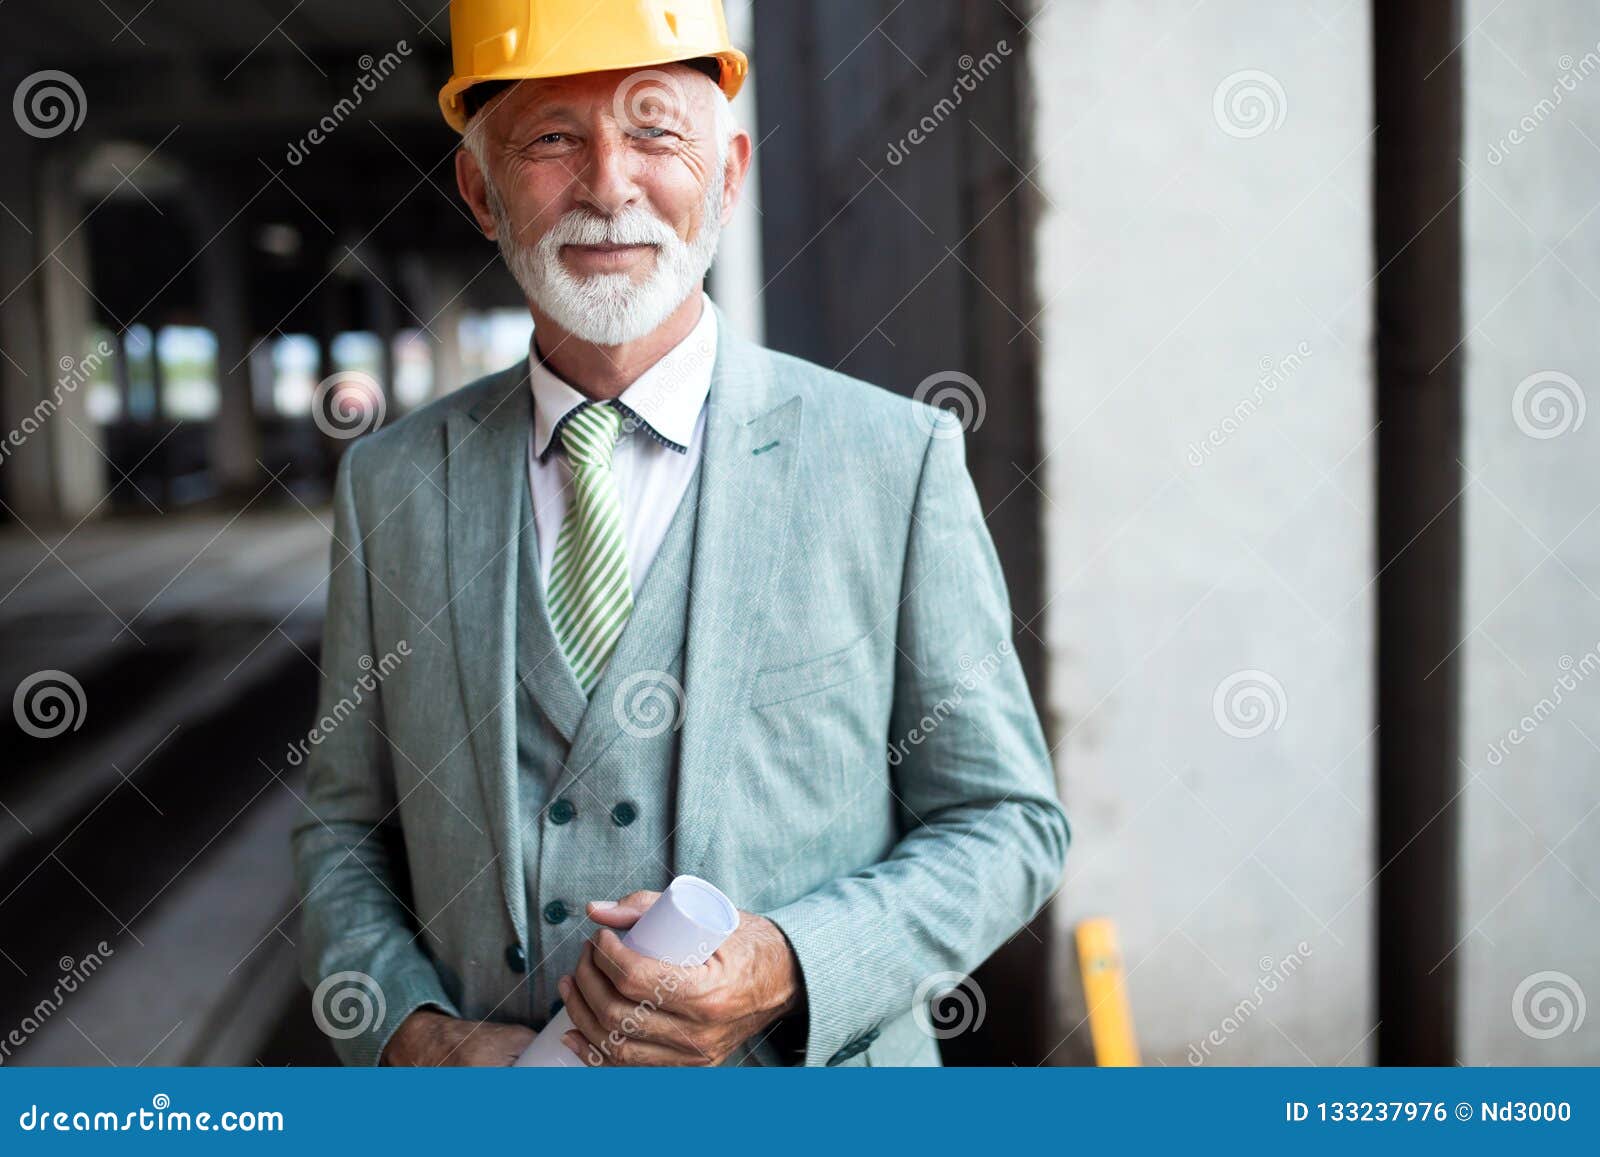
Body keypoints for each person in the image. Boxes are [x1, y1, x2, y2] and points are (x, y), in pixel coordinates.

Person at [290, 0, 1069, 1068]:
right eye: (553, 138)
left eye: (656, 134)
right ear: (479, 190)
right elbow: (342, 832)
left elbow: (1006, 821)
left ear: (730, 172)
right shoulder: (391, 487)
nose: (609, 186)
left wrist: (793, 961)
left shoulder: (891, 460)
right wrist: (411, 1038)